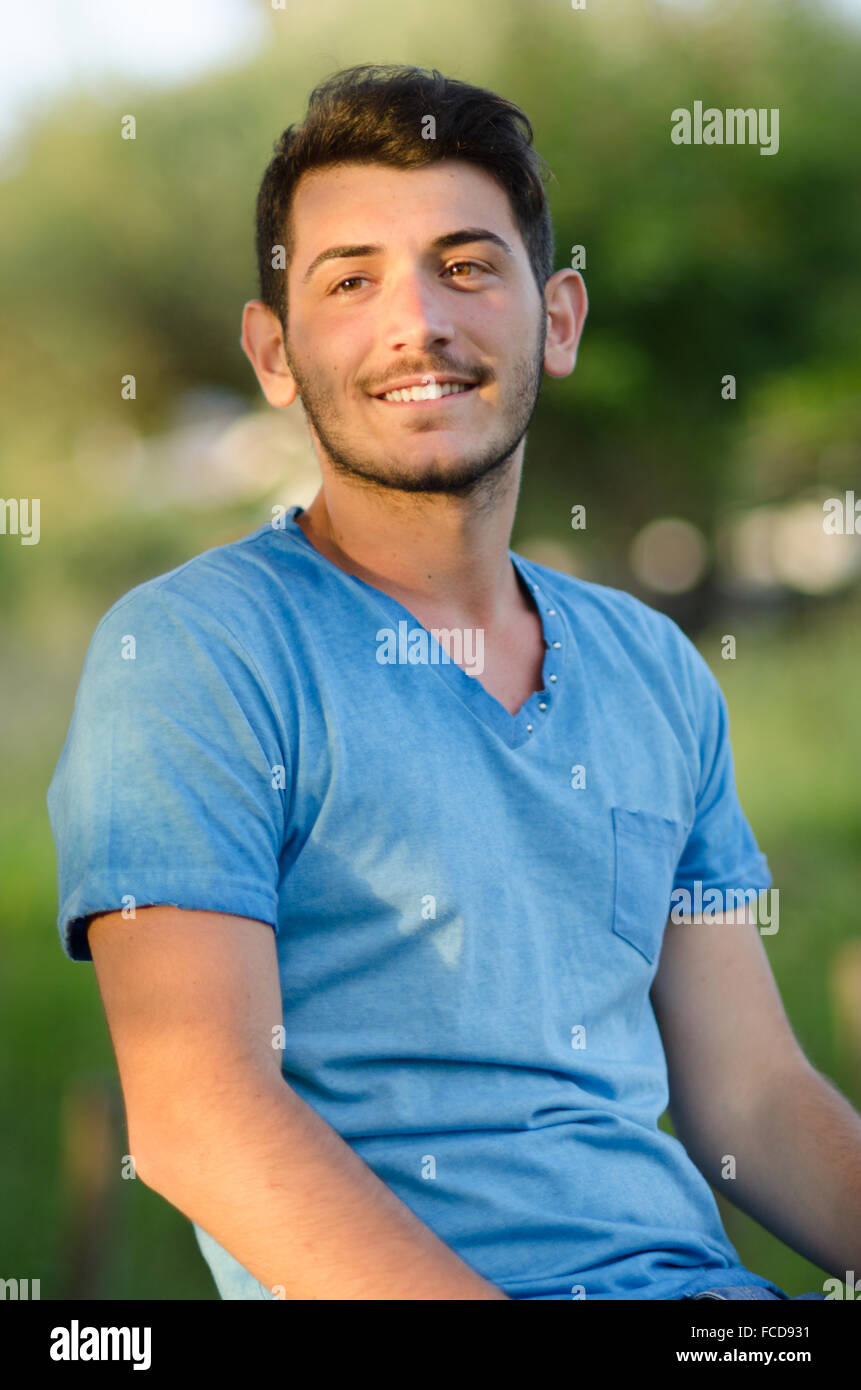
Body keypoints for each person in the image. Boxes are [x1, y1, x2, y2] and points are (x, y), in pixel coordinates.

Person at [47, 64, 859, 1301]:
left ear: (560, 318)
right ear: (273, 351)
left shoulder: (655, 672)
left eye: (469, 266)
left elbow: (752, 1091)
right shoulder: (198, 653)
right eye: (351, 278)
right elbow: (200, 1114)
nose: (414, 321)